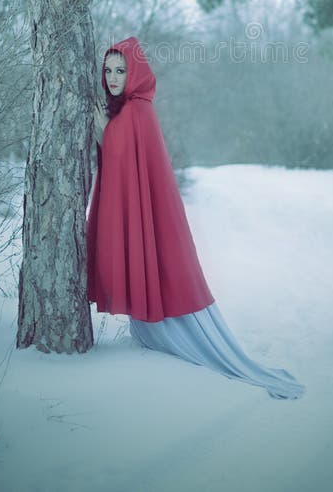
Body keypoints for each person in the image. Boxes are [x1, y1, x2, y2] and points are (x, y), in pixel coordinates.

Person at [86, 36, 305, 400]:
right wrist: (109, 131)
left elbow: (124, 155)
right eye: (107, 70)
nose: (112, 78)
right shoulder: (129, 111)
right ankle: (155, 333)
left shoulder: (138, 111)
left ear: (135, 73)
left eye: (120, 70)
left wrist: (105, 132)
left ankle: (181, 338)